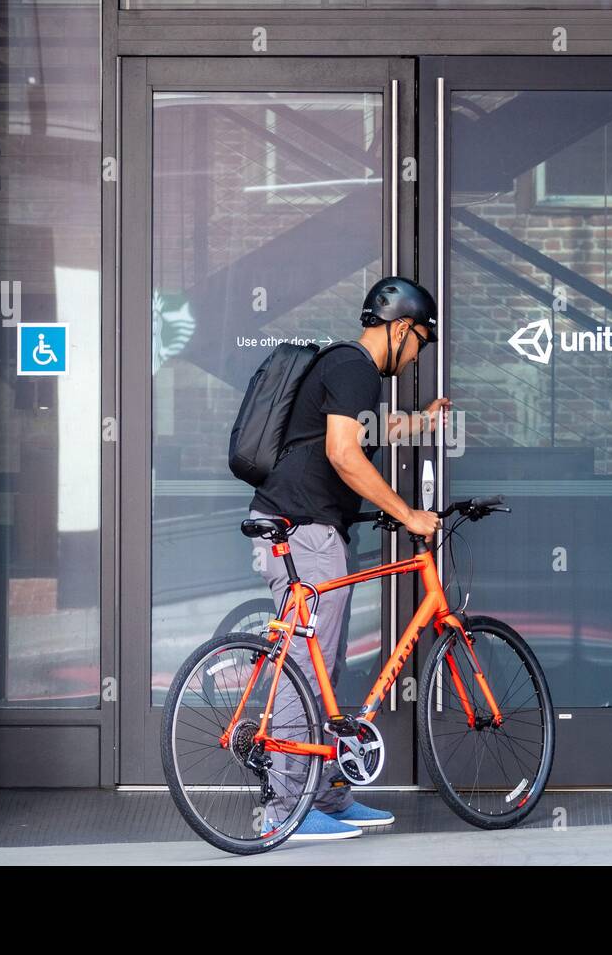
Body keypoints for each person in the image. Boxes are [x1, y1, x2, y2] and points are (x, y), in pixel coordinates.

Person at [247, 275, 448, 842]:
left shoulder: (347, 372)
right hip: (302, 534)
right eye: (418, 345)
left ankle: (328, 795)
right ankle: (286, 808)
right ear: (402, 328)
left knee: (324, 665)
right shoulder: (355, 367)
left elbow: (359, 431)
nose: (414, 358)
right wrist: (408, 515)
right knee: (305, 668)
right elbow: (343, 452)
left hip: (314, 530)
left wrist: (424, 423)